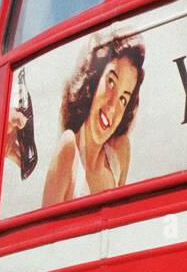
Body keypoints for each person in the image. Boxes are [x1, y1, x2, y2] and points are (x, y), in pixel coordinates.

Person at [38, 34, 145, 206]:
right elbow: (45, 229)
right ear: (94, 80)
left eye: (123, 99)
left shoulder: (119, 152)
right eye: (111, 82)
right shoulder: (68, 148)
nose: (112, 107)